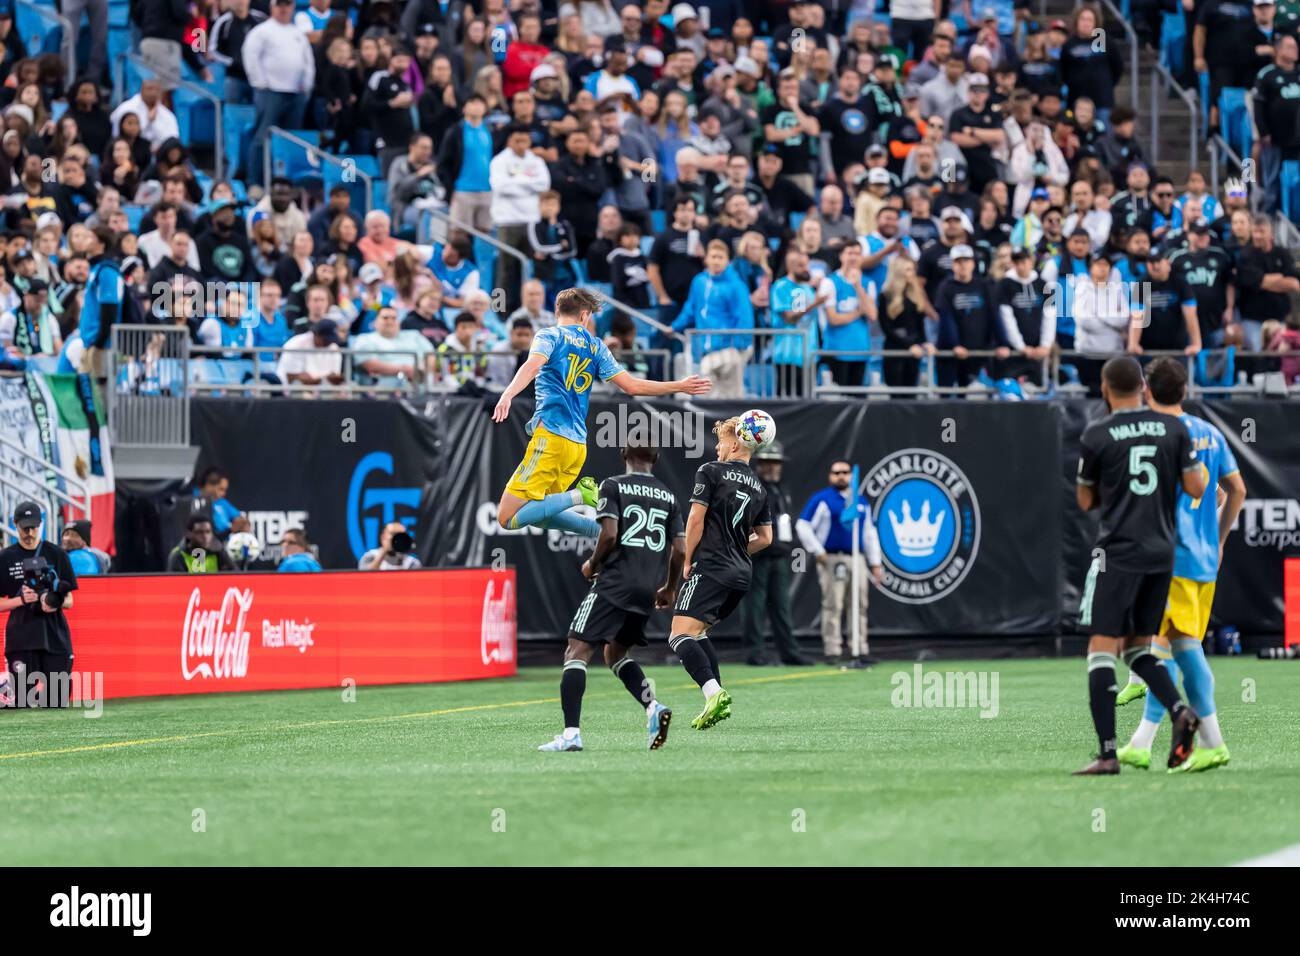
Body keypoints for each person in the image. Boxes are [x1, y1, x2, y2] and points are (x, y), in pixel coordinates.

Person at [1073, 355, 1208, 775]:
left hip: (1117, 551)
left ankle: (1108, 753)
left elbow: (1085, 501)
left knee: (1101, 647)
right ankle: (1181, 710)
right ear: (1144, 390)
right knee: (1137, 648)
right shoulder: (1174, 428)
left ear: (1105, 388)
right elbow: (1196, 486)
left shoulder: (1098, 433)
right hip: (1161, 554)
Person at [1115, 358, 1248, 773]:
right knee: (1174, 647)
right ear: (1186, 391)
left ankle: (1198, 741)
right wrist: (1221, 539)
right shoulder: (1209, 432)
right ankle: (1152, 742)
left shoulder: (1158, 435)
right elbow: (1234, 491)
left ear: (1147, 392)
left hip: (1170, 558)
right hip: (1205, 559)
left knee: (1166, 650)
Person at [491, 287, 711, 536]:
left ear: (556, 311)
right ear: (585, 316)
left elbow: (532, 366)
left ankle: (580, 495)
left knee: (507, 517)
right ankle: (598, 532)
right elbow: (632, 386)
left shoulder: (549, 335)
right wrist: (679, 385)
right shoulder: (596, 346)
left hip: (550, 439)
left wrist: (508, 394)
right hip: (576, 447)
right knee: (541, 512)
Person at [539, 444, 684, 753]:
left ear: (624, 455)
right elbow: (681, 550)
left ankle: (571, 734)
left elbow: (609, 534)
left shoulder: (613, 485)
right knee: (615, 654)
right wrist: (669, 588)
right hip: (647, 588)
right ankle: (653, 707)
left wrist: (593, 564)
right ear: (656, 459)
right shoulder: (669, 496)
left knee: (576, 649)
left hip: (616, 582)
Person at [669, 416, 773, 731]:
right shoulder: (759, 487)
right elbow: (766, 538)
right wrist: (738, 550)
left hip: (713, 566)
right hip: (742, 574)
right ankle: (716, 698)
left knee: (678, 635)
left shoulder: (710, 471)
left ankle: (714, 693)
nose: (717, 448)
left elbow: (695, 519)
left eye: (721, 442)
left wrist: (688, 559)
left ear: (736, 442)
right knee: (699, 633)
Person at [0, 501, 78, 708]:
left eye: (33, 527)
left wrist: (55, 602)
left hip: (54, 635)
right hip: (21, 637)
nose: (29, 533)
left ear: (40, 525)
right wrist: (22, 600)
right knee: (22, 703)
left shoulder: (57, 554)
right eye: (24, 528)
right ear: (15, 525)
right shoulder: (6, 557)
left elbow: (70, 600)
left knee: (57, 700)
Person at [740, 441, 809, 667]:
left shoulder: (781, 488)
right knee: (755, 606)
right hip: (759, 554)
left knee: (781, 607)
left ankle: (789, 651)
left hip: (779, 554)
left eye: (776, 462)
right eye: (768, 462)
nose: (773, 467)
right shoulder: (753, 487)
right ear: (759, 464)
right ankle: (755, 652)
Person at [167, 513, 237, 573]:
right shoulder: (178, 555)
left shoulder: (219, 551)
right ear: (189, 534)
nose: (205, 536)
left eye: (208, 532)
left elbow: (235, 576)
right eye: (199, 532)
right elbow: (176, 585)